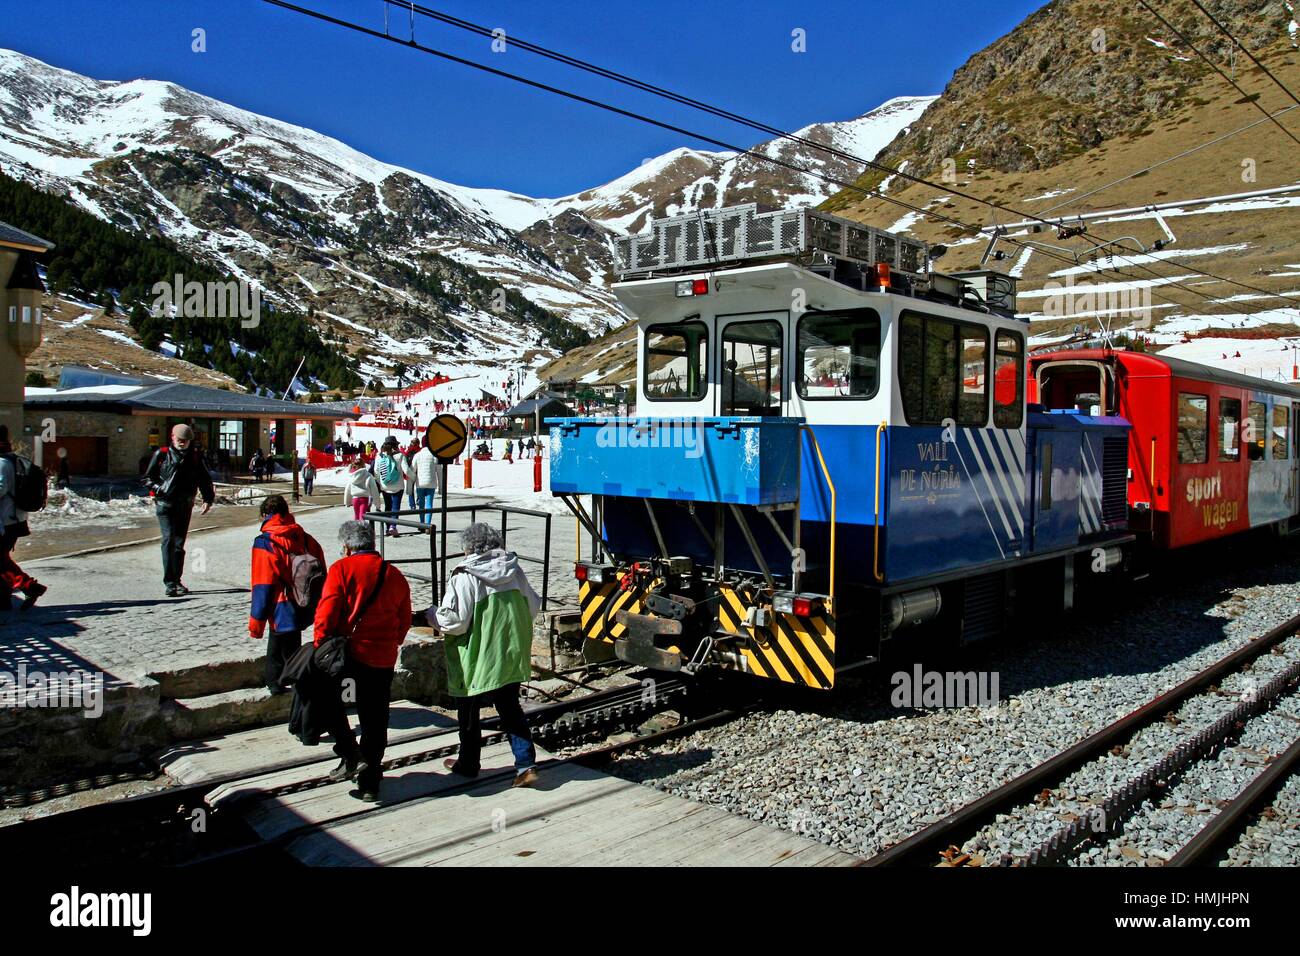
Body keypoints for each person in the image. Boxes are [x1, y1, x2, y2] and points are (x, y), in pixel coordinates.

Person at [422, 523, 540, 788]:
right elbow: (533, 606)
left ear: (469, 547)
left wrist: (432, 615)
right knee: (510, 708)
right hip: (509, 652)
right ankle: (526, 764)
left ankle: (468, 763)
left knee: (468, 711)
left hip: (476, 657)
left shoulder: (465, 576)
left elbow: (456, 622)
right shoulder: (514, 570)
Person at [315, 520, 411, 802]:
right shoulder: (394, 574)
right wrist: (394, 641)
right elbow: (404, 617)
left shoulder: (341, 569)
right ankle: (370, 782)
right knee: (375, 718)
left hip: (350, 655)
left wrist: (321, 644)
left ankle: (349, 753)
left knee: (326, 699)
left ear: (347, 547)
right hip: (382, 658)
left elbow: (327, 612)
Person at [249, 495, 325, 694]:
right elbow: (321, 573)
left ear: (266, 515)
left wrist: (256, 624)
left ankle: (298, 688)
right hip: (305, 602)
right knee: (284, 643)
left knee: (287, 649)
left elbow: (263, 585)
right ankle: (275, 681)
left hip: (282, 604)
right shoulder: (306, 538)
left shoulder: (265, 542)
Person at [143, 424, 215, 597]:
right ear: (173, 437)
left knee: (178, 545)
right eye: (180, 440)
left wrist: (208, 499)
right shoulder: (161, 454)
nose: (182, 443)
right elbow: (147, 478)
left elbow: (204, 479)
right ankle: (169, 582)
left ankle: (176, 580)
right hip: (165, 505)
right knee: (168, 541)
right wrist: (159, 489)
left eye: (186, 441)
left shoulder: (196, 457)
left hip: (185, 505)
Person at [0, 425, 46, 611]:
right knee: (2, 560)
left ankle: (29, 587)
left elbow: (0, 488)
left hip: (7, 521)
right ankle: (6, 599)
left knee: (1, 560)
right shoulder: (12, 459)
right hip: (14, 519)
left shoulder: (2, 462)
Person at [373, 438, 408, 537]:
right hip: (398, 486)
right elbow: (406, 470)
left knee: (388, 507)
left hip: (385, 486)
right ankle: (393, 526)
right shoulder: (400, 455)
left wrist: (381, 483)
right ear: (395, 445)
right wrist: (413, 478)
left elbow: (376, 471)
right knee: (395, 507)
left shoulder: (379, 456)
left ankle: (388, 528)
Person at [411, 436, 441, 532]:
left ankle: (421, 524)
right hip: (431, 483)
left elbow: (412, 470)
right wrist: (441, 487)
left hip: (420, 483)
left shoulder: (417, 455)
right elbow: (439, 471)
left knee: (421, 505)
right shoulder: (434, 456)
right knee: (429, 504)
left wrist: (410, 485)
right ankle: (428, 525)